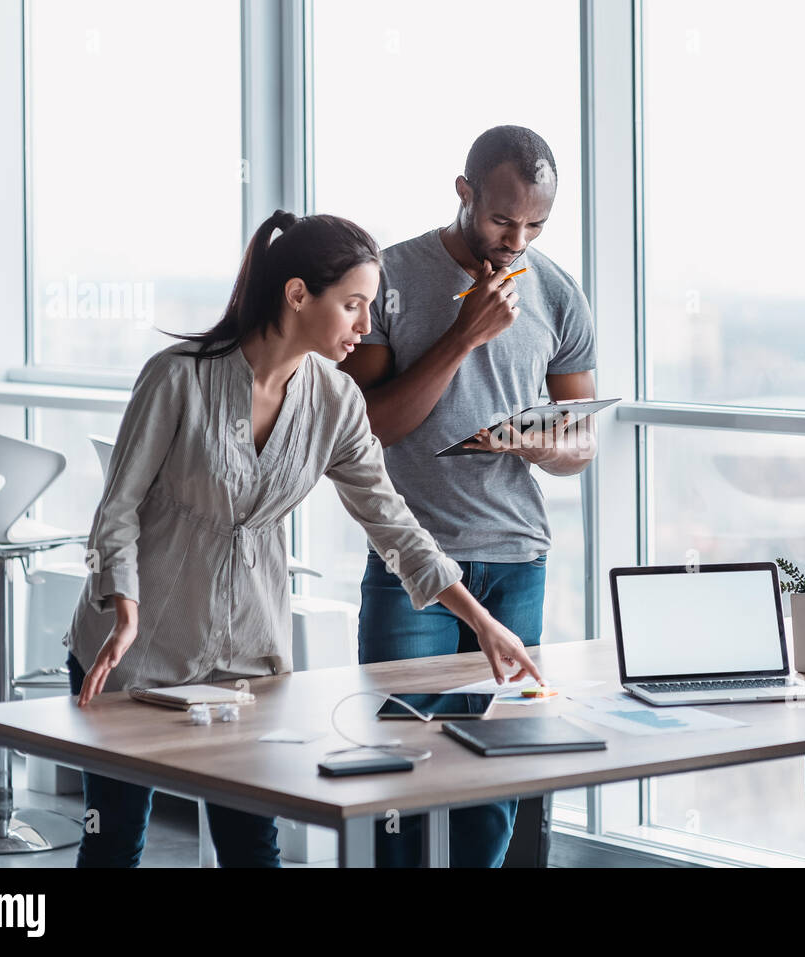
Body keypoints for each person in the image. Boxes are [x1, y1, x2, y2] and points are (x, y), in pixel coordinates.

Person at [62, 209, 542, 868]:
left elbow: (391, 521)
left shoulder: (337, 403)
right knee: (113, 842)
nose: (366, 327)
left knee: (253, 848)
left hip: (247, 665)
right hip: (134, 658)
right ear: (296, 295)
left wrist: (481, 621)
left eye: (370, 306)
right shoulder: (176, 377)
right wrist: (124, 607)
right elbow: (116, 509)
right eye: (352, 305)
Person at [337, 125, 598, 867]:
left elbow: (581, 446)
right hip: (412, 565)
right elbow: (370, 427)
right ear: (464, 194)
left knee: (496, 781)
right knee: (398, 771)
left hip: (518, 561)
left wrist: (539, 440)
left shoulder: (555, 290)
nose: (517, 239)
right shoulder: (390, 278)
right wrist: (463, 334)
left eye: (535, 224)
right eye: (501, 220)